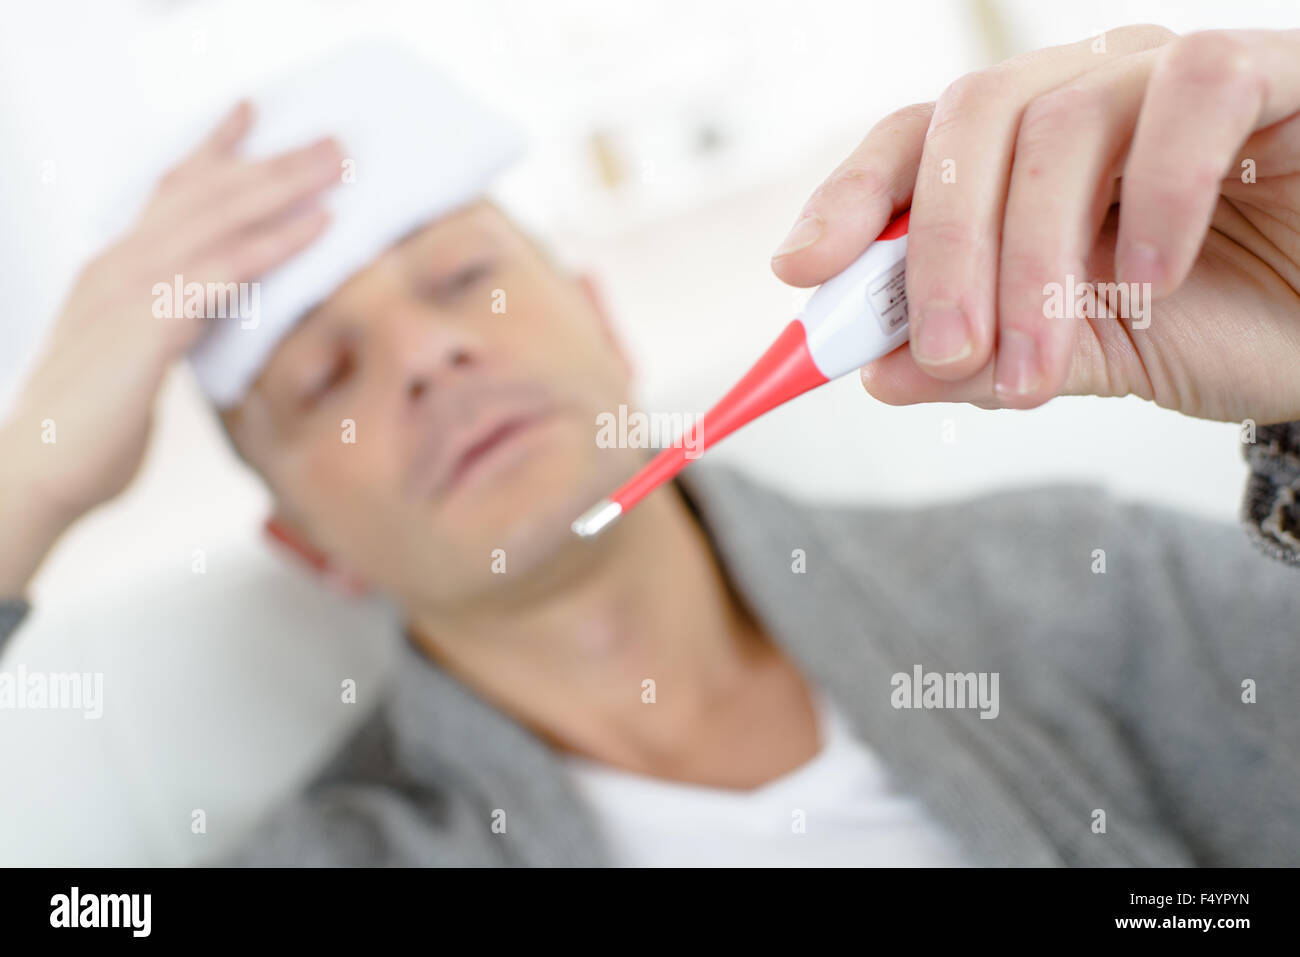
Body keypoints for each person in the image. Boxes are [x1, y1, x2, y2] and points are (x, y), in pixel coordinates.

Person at [1, 25, 1298, 867]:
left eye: (468, 283)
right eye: (325, 373)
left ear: (607, 327)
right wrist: (29, 483)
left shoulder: (1078, 581)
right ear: (306, 544)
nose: (427, 355)